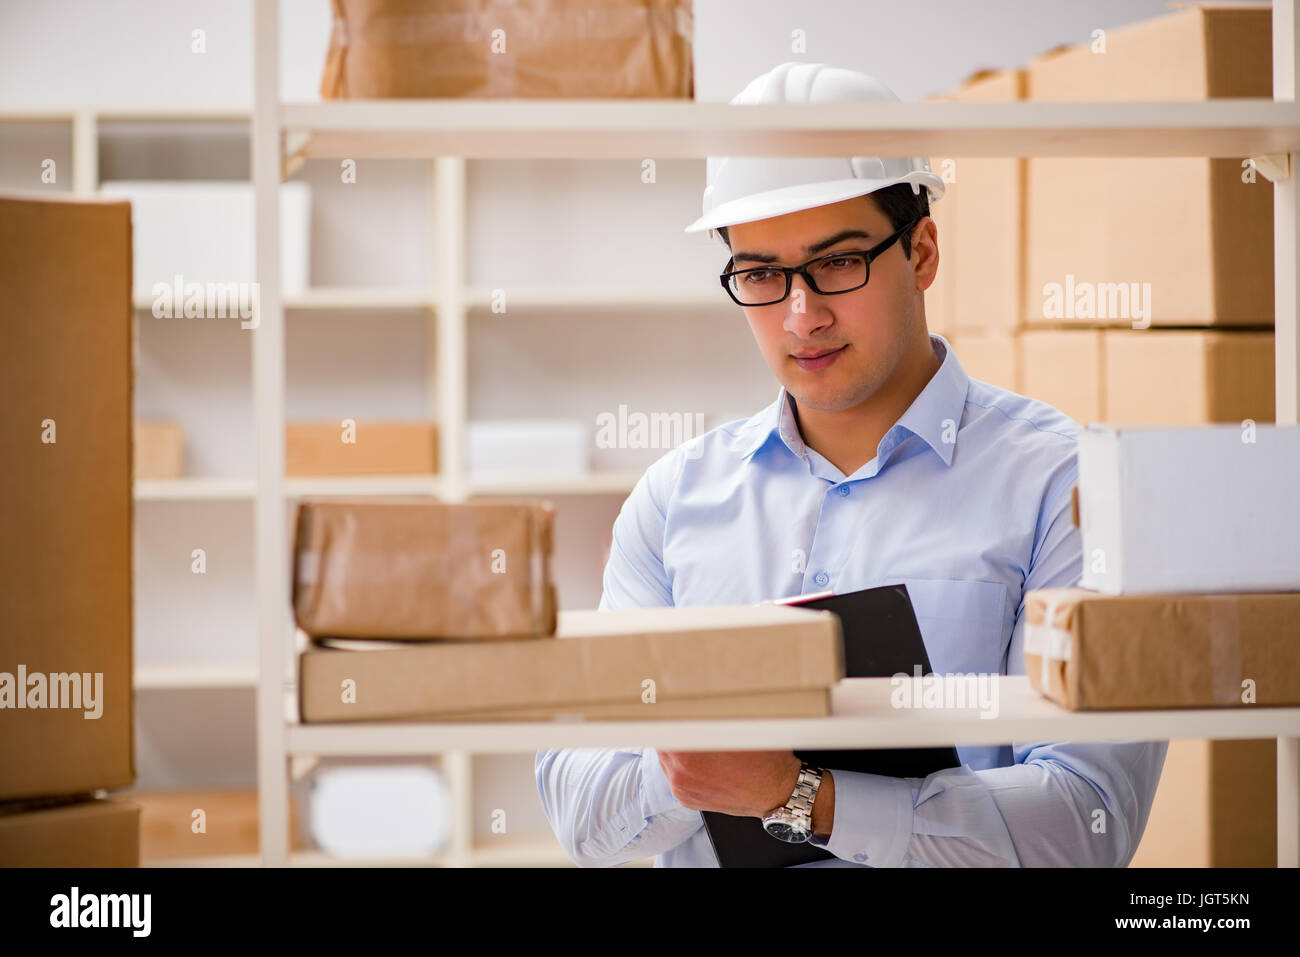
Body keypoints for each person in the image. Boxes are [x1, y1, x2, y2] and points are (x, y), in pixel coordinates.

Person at [535, 61, 1167, 867]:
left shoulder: (1067, 485)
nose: (803, 315)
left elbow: (1087, 821)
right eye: (762, 273)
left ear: (923, 252)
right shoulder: (673, 501)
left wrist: (801, 794)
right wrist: (685, 771)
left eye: (837, 262)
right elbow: (582, 818)